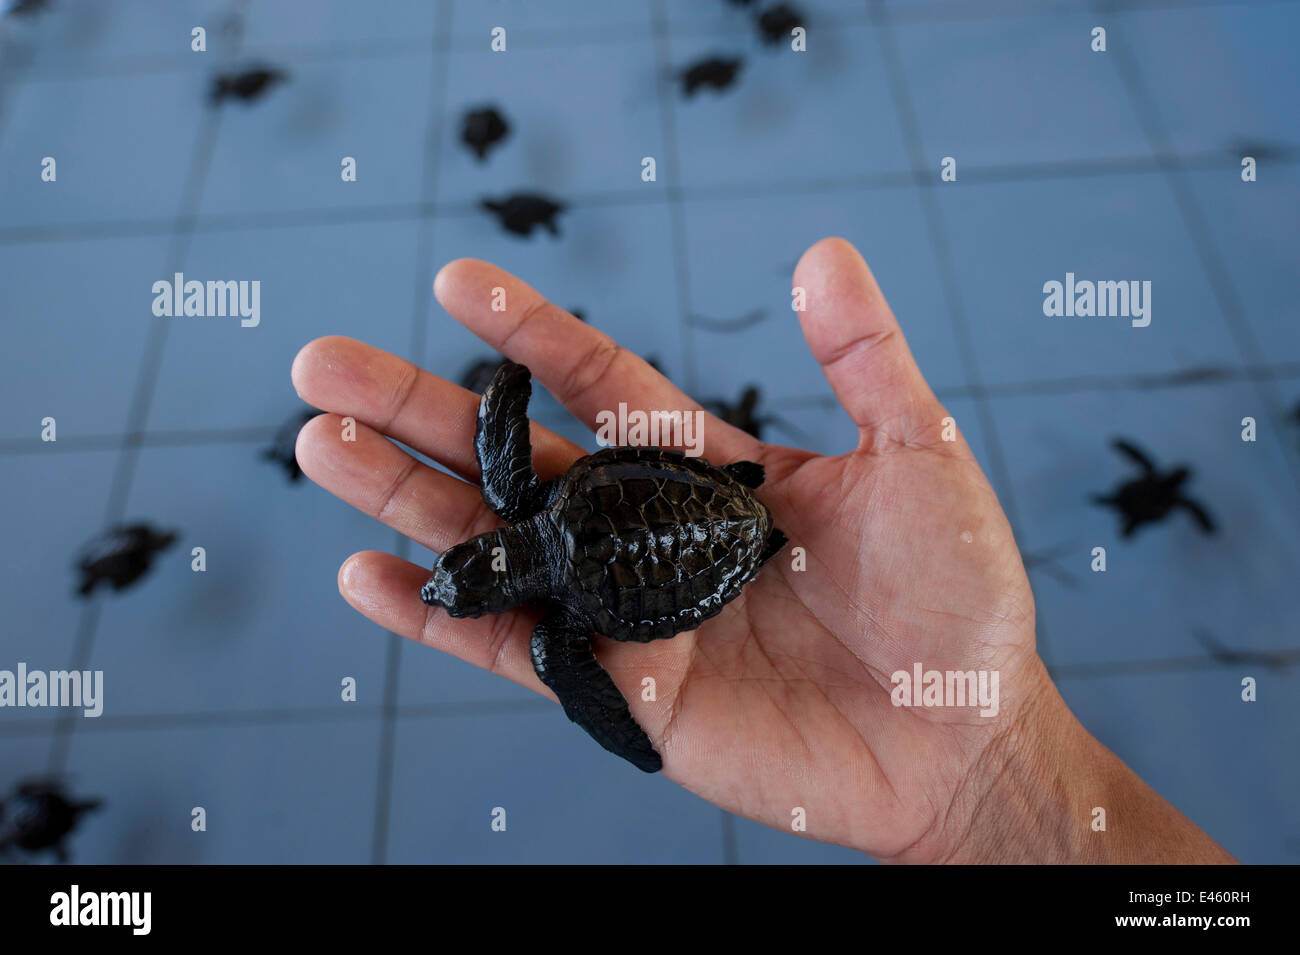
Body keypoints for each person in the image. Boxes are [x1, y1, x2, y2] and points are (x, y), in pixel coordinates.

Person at [290, 237, 1235, 864]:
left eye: (461, 574)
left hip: (702, 546)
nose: (467, 571)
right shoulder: (528, 510)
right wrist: (508, 378)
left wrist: (993, 779)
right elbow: (505, 404)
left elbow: (506, 407)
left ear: (499, 578)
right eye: (468, 577)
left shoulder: (557, 632)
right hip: (705, 509)